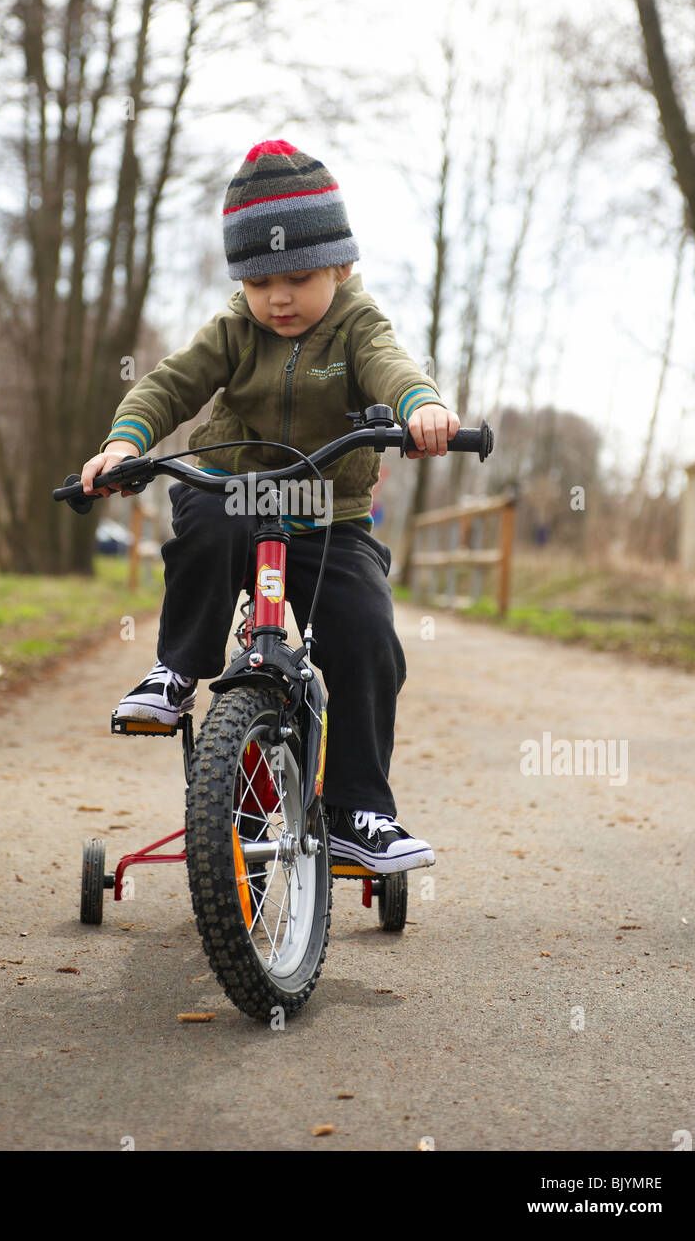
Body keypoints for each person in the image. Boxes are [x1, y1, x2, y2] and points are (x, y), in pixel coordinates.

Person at [80, 139, 459, 873]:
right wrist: (124, 445)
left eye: (298, 277)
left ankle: (358, 813)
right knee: (202, 533)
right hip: (236, 494)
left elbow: (392, 368)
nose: (278, 298)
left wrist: (422, 409)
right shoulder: (235, 327)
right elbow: (169, 384)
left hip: (328, 516)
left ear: (341, 267)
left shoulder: (356, 325)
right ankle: (176, 674)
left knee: (367, 637)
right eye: (259, 283)